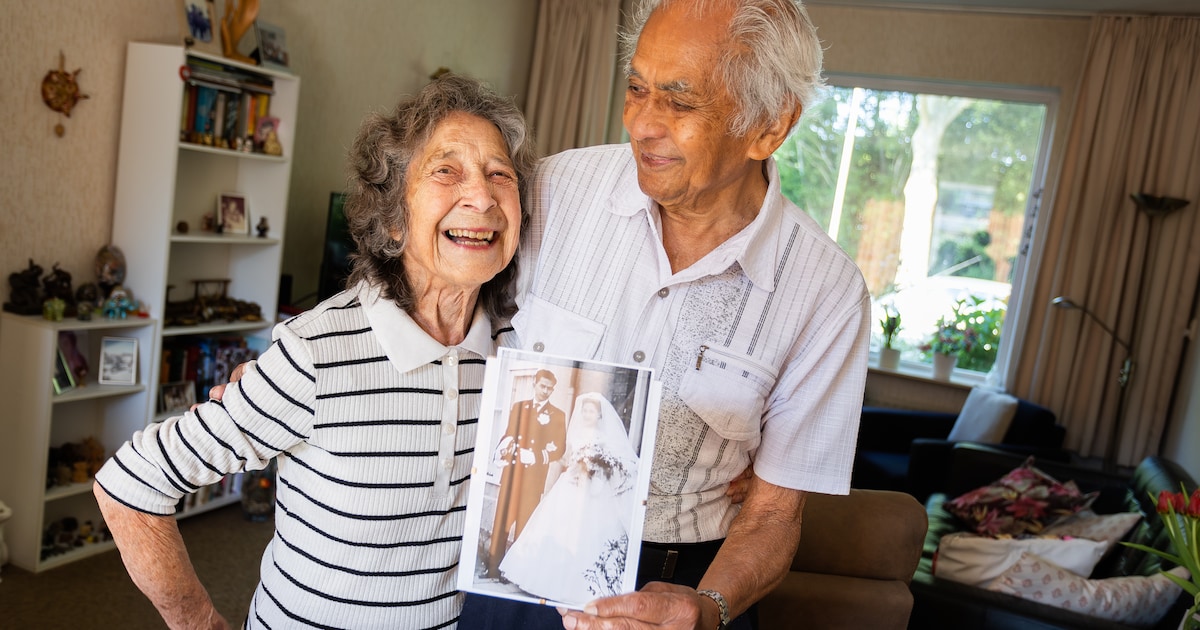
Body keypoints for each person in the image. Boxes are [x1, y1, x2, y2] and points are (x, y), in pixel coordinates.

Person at [459, 0, 871, 628]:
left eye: (679, 102)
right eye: (636, 89)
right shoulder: (551, 190)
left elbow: (773, 515)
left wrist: (708, 608)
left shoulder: (826, 292)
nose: (641, 124)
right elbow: (432, 294)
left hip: (680, 588)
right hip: (515, 560)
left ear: (769, 126)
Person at [91, 74, 538, 630]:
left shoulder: (520, 353)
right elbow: (131, 483)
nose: (483, 197)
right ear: (393, 221)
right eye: (446, 171)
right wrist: (199, 621)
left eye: (500, 174)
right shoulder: (313, 354)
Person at [498, 392, 640, 604]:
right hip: (571, 484)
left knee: (587, 533)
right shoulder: (576, 434)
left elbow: (613, 463)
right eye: (585, 410)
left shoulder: (604, 438)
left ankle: (580, 588)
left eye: (592, 411)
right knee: (558, 528)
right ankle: (544, 580)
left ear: (599, 415)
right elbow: (568, 459)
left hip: (594, 489)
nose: (587, 414)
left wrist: (596, 468)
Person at [487, 368, 568, 577]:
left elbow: (559, 448)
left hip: (533, 479)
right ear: (534, 384)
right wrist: (502, 449)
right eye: (543, 386)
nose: (546, 391)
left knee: (524, 527)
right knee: (502, 523)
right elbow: (509, 434)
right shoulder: (519, 407)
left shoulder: (557, 414)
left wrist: (537, 455)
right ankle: (493, 569)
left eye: (550, 388)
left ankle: (513, 573)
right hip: (511, 475)